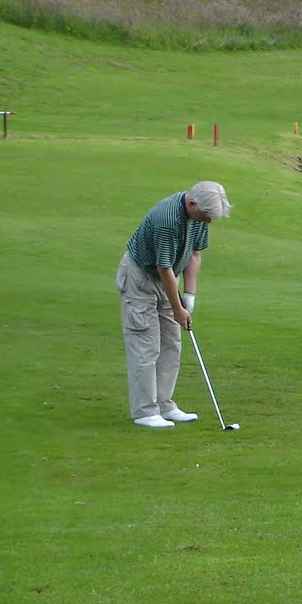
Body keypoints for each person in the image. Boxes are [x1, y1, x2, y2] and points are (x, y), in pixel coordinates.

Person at [115, 181, 232, 428]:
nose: (208, 222)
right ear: (192, 203)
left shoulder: (199, 216)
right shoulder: (166, 220)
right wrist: (178, 309)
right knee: (146, 345)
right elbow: (164, 267)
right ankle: (145, 411)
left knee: (172, 343)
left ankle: (164, 404)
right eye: (205, 216)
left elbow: (195, 254)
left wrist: (189, 295)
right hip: (140, 278)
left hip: (168, 277)